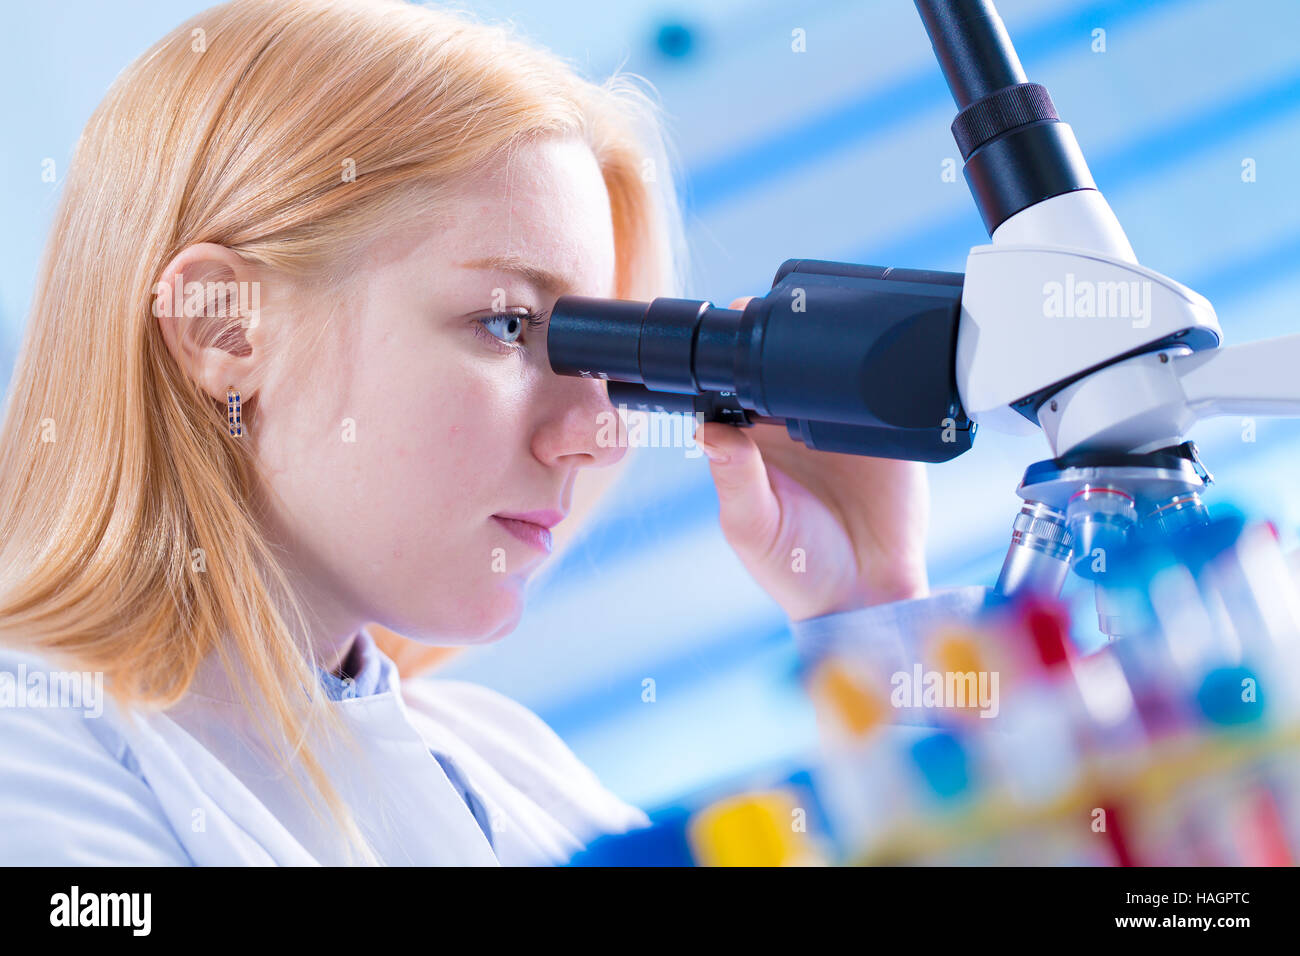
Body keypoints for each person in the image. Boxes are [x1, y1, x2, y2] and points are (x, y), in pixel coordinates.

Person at [0, 0, 939, 865]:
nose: (598, 435)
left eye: (598, 357)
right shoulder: (37, 749)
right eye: (506, 325)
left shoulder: (506, 765)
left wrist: (871, 619)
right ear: (224, 325)